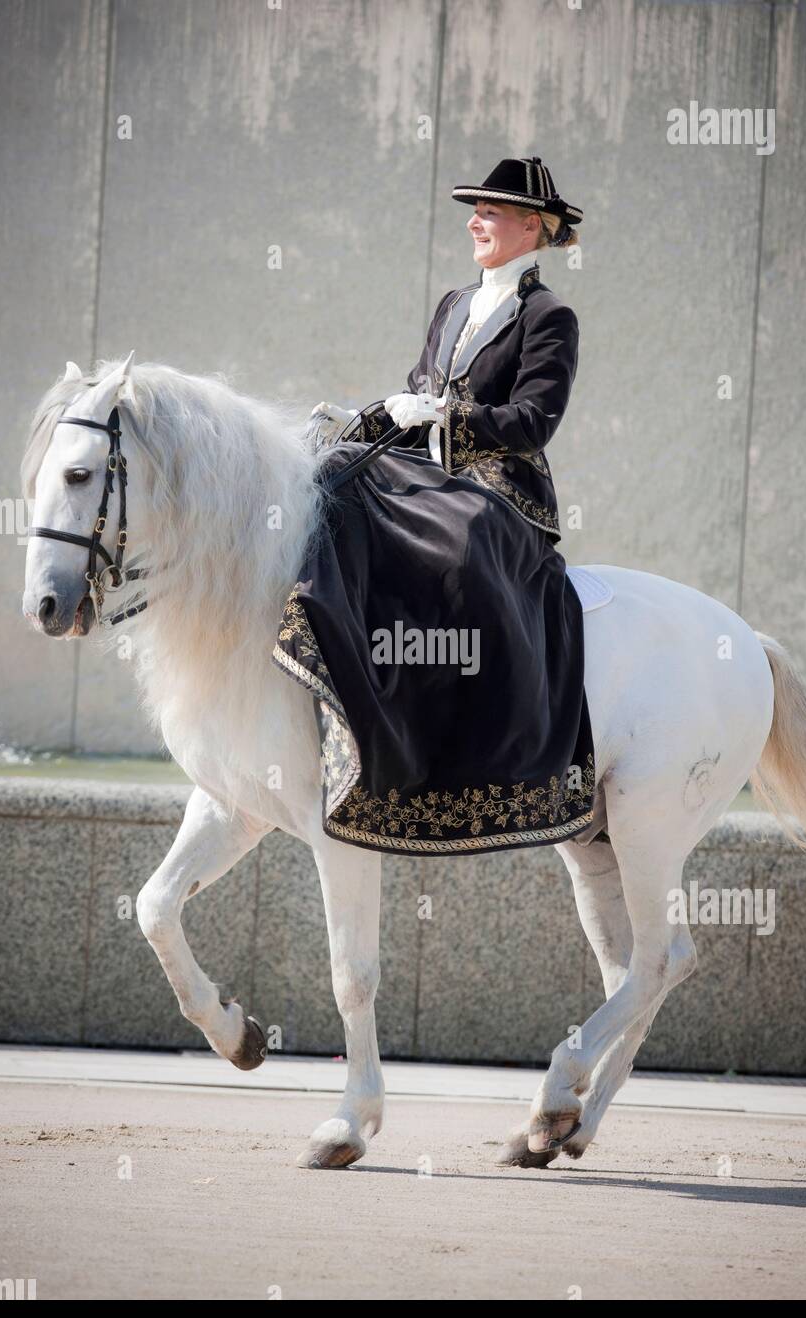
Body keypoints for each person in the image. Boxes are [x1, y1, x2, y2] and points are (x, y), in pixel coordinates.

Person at [274, 155, 595, 855]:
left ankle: (455, 721)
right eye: (474, 212)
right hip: (427, 468)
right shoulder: (454, 303)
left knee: (459, 535)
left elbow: (535, 420)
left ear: (533, 227)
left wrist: (449, 416)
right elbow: (418, 387)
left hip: (501, 492)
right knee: (337, 489)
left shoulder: (549, 316)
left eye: (492, 212)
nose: (476, 222)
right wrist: (377, 415)